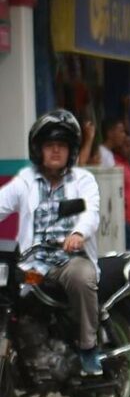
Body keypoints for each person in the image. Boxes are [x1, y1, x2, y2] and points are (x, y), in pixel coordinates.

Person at [0, 111, 104, 374]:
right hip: (33, 267)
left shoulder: (83, 181)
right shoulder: (25, 182)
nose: (56, 150)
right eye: (49, 145)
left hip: (69, 260)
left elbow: (91, 213)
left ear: (71, 150)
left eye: (62, 145)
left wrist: (78, 234)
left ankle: (88, 346)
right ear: (38, 149)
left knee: (81, 277)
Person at [84, 116, 130, 251]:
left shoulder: (110, 155)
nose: (123, 135)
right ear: (110, 133)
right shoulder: (102, 154)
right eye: (120, 131)